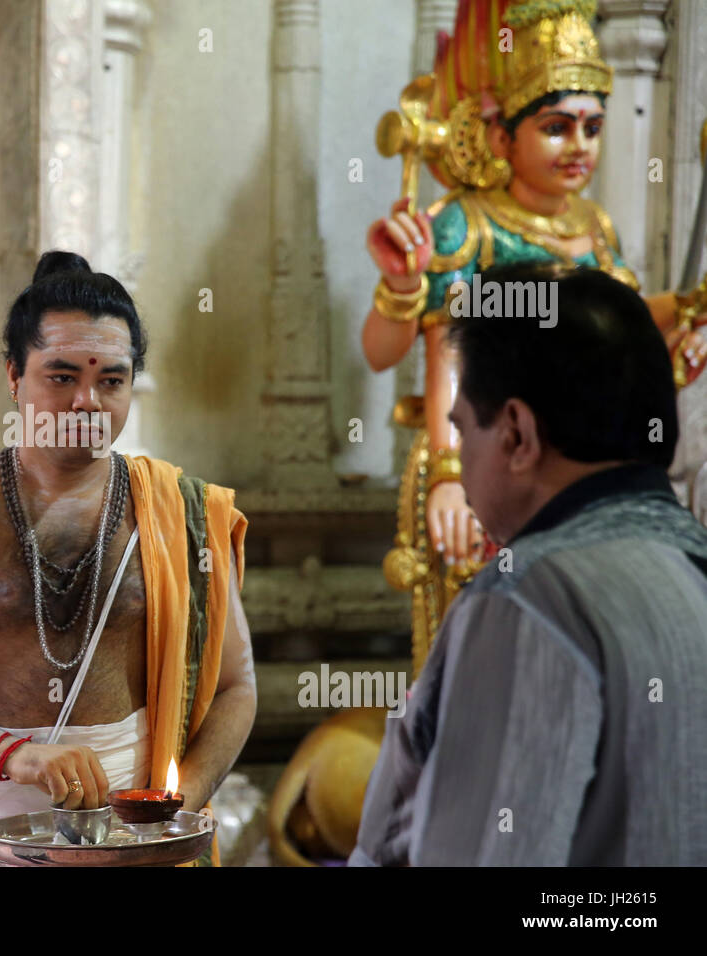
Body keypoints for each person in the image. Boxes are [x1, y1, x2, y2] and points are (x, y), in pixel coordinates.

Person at [0, 252, 255, 866]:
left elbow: (235, 688)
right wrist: (12, 753)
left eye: (111, 381)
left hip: (133, 830)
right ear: (14, 377)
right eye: (61, 377)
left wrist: (171, 805)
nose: (88, 403)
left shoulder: (180, 509)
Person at [362, 0, 707, 666]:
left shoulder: (595, 227)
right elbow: (441, 353)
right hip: (485, 457)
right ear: (501, 137)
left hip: (576, 466)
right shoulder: (468, 225)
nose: (578, 146)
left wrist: (692, 308)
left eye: (592, 127)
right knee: (481, 642)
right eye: (556, 126)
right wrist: (451, 474)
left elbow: (623, 319)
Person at [351, 264, 707, 866]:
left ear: (516, 434)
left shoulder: (528, 600)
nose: (459, 467)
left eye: (462, 431)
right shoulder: (694, 565)